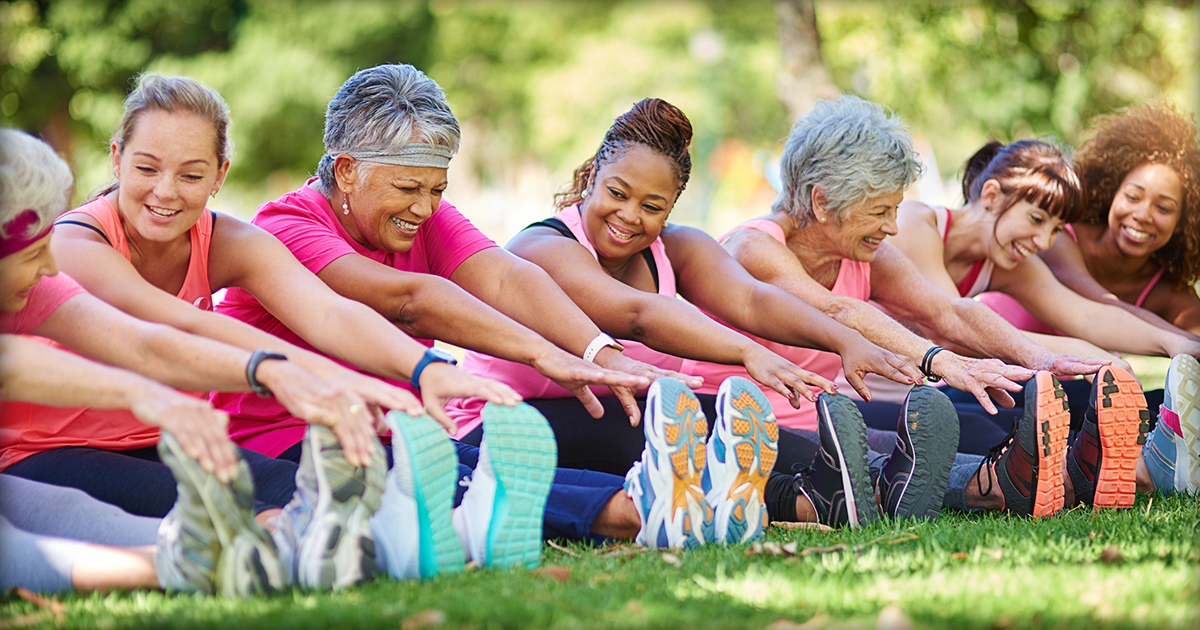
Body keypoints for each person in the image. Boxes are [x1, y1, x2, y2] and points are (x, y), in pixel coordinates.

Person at [39, 74, 569, 590]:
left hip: (169, 438)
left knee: (311, 496)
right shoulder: (76, 242)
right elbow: (176, 327)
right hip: (51, 450)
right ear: (116, 158)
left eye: (191, 175)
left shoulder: (226, 239)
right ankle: (406, 537)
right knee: (250, 510)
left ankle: (432, 533)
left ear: (220, 175)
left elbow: (330, 313)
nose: (166, 192)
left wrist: (422, 369)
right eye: (147, 168)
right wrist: (288, 374)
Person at [213, 63, 772, 550]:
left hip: (398, 432)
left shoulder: (424, 219)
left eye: (437, 189)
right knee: (456, 483)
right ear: (346, 171)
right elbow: (409, 302)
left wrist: (595, 350)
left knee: (479, 467)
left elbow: (505, 276)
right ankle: (646, 512)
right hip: (284, 443)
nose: (426, 207)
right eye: (410, 188)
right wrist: (542, 353)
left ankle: (675, 498)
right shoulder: (286, 226)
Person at [454, 97, 981, 531]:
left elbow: (752, 299)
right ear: (593, 176)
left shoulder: (676, 248)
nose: (629, 217)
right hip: (495, 426)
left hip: (611, 415)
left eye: (652, 206)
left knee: (683, 415)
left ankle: (907, 484)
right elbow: (636, 315)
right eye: (617, 193)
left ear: (673, 205)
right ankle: (839, 491)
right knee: (657, 417)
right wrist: (748, 352)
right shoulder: (543, 246)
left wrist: (844, 340)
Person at [0, 130, 288, 596]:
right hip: (40, 459)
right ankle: (218, 556)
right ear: (117, 159)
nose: (52, 267)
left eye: (191, 173)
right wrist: (147, 393)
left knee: (272, 498)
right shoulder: (86, 241)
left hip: (146, 445)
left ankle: (245, 549)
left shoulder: (38, 288)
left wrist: (277, 370)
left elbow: (144, 344)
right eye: (35, 252)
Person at [890, 135, 1200, 504]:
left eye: (1054, 229)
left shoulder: (1008, 260)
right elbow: (954, 328)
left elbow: (1084, 315)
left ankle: (1164, 449)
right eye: (1037, 219)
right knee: (1002, 424)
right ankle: (1141, 467)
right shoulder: (915, 223)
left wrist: (1175, 342)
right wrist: (1099, 359)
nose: (1042, 240)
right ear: (990, 196)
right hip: (895, 398)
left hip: (938, 391)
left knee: (1082, 395)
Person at [976, 102, 1200, 495]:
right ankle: (1141, 463)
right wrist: (1177, 342)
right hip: (1001, 381)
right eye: (1134, 196)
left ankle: (1161, 458)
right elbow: (1094, 307)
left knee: (1142, 403)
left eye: (1164, 208)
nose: (1143, 214)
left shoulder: (1168, 289)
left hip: (1068, 392)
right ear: (1112, 190)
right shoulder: (1057, 234)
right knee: (1091, 398)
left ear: (1184, 223)